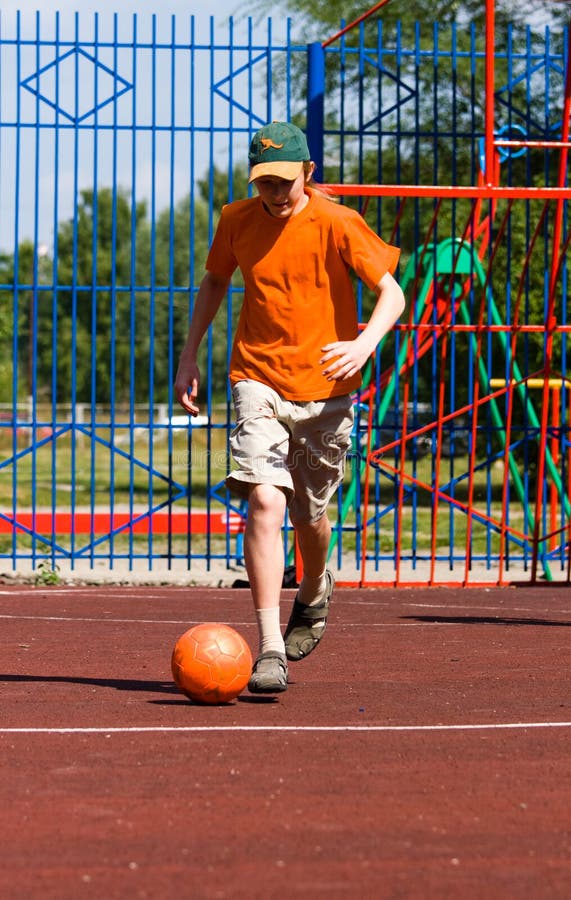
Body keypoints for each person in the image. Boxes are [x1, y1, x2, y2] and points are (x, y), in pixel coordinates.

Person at [174, 121, 405, 694]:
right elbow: (214, 283)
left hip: (325, 390)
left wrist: (363, 345)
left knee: (310, 519)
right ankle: (271, 647)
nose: (275, 193)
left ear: (308, 172)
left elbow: (392, 293)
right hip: (257, 379)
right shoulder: (236, 220)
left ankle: (314, 586)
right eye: (265, 182)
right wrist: (189, 357)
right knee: (264, 500)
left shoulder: (337, 222)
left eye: (284, 181)